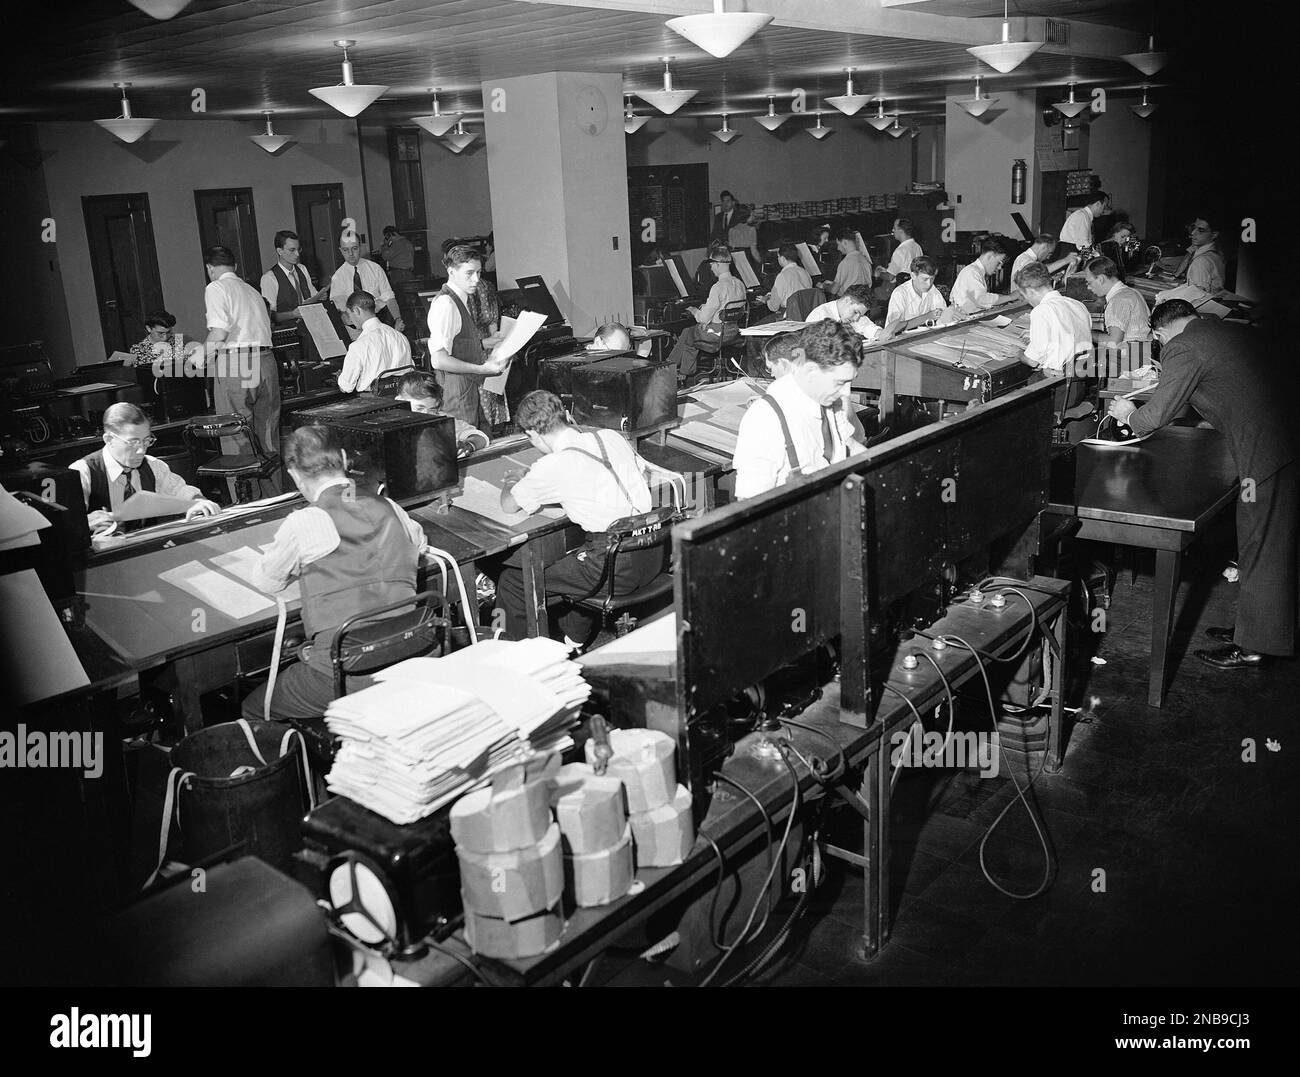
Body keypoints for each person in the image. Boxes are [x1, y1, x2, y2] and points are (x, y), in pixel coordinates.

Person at [1108, 301, 1297, 671]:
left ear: (1161, 333)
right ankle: (1257, 629)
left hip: (1271, 451)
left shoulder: (1183, 345)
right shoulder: (1225, 330)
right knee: (1271, 543)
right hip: (1284, 442)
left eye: (1157, 340)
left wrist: (1126, 413)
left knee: (1263, 544)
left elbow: (1156, 416)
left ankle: (1255, 646)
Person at [239, 425, 431, 722]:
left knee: (252, 706)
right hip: (412, 650)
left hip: (347, 673)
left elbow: (267, 580)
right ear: (343, 458)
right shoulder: (389, 505)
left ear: (294, 474)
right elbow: (418, 543)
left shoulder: (304, 521)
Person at [491, 390, 660, 647]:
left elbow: (509, 505)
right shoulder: (609, 436)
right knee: (575, 561)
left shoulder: (553, 465)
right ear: (565, 415)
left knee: (513, 582)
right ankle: (574, 640)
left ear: (533, 434)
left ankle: (516, 658)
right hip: (653, 553)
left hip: (614, 569)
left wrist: (514, 478)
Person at [732, 321, 866, 499]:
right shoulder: (765, 418)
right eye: (840, 382)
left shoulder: (830, 400)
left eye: (850, 381)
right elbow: (748, 503)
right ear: (810, 371)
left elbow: (849, 445)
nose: (846, 392)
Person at [72, 402, 220, 535]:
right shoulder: (82, 471)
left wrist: (199, 502)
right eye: (133, 442)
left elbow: (182, 491)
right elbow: (60, 526)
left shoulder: (153, 465)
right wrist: (84, 522)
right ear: (109, 440)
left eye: (146, 440)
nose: (141, 450)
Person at [201, 244, 280, 482]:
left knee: (235, 434)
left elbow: (219, 332)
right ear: (235, 267)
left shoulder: (216, 287)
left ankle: (245, 504)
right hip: (266, 362)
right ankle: (274, 498)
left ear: (209, 268)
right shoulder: (252, 290)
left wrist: (198, 357)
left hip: (237, 363)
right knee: (268, 435)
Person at [425, 244, 508, 427]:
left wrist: (485, 344)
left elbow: (459, 344)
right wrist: (482, 369)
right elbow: (438, 360)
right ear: (451, 271)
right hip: (456, 394)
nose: (476, 279)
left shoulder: (460, 300)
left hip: (468, 390)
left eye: (479, 272)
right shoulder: (446, 303)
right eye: (469, 273)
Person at [668, 243, 746, 384]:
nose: (710, 267)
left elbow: (703, 318)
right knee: (691, 333)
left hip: (716, 335)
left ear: (717, 264)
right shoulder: (740, 284)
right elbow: (726, 309)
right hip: (734, 332)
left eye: (711, 264)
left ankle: (670, 369)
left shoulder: (717, 287)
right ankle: (679, 371)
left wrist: (694, 311)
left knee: (688, 333)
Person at [1013, 261, 1092, 374]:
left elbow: (1032, 361)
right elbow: (1068, 336)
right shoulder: (1077, 304)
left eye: (1024, 296)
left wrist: (1018, 353)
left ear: (1030, 291)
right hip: (1083, 374)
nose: (1027, 301)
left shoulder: (1041, 311)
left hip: (1057, 379)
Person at [393, 371, 490, 457]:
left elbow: (480, 437)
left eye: (432, 409)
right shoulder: (390, 427)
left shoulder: (439, 418)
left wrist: (469, 445)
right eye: (420, 408)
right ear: (399, 401)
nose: (426, 414)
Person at [329, 222, 404, 332]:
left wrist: (397, 319)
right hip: (355, 328)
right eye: (345, 250)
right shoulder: (338, 278)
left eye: (354, 248)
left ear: (360, 247)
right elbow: (339, 310)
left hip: (380, 321)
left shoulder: (375, 269)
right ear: (340, 250)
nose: (350, 253)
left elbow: (389, 298)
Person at [337, 291, 413, 392]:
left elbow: (346, 388)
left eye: (349, 313)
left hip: (372, 402)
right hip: (403, 398)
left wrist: (340, 378)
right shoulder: (400, 337)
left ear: (357, 310)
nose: (350, 319)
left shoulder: (358, 346)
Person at [260, 230, 328, 322]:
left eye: (298, 249)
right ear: (280, 251)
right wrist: (292, 314)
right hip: (288, 330)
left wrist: (320, 296)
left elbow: (312, 295)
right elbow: (269, 315)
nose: (297, 254)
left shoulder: (302, 269)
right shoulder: (269, 278)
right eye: (292, 250)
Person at [1084, 256, 1152, 345]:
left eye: (1089, 282)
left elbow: (1114, 341)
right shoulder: (1132, 292)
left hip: (1130, 355)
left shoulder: (1118, 300)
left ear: (1101, 279)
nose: (1088, 287)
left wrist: (1085, 333)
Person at [882, 256, 952, 333]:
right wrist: (927, 317)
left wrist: (948, 313)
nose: (929, 284)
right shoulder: (900, 293)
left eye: (932, 279)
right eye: (925, 279)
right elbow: (894, 328)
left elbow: (943, 314)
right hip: (900, 339)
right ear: (913, 276)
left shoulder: (932, 289)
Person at [806, 284, 881, 342]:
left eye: (860, 315)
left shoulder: (852, 316)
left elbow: (870, 328)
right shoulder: (820, 316)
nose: (856, 318)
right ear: (847, 301)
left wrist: (880, 333)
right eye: (855, 312)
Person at [950, 238, 1007, 313]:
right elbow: (981, 299)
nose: (999, 268)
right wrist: (1010, 297)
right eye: (999, 263)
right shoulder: (972, 272)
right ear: (989, 255)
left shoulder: (978, 272)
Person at [1174, 217, 1226, 294]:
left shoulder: (1201, 261)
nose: (1192, 233)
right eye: (1194, 228)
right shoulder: (1215, 253)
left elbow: (1196, 296)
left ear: (1214, 234)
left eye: (1201, 230)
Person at [763, 245, 813, 316]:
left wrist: (766, 300)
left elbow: (774, 306)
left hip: (790, 315)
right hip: (807, 313)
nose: (778, 259)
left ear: (783, 258)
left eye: (778, 257)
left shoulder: (782, 276)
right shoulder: (805, 272)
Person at [822, 227, 872, 296]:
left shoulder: (845, 263)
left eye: (838, 244)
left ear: (845, 242)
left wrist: (824, 286)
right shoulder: (866, 261)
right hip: (864, 301)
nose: (838, 248)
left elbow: (834, 290)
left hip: (849, 301)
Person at [1011, 233, 1077, 281]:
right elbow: (1037, 270)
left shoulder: (1028, 259)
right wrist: (1066, 260)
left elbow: (1033, 277)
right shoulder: (1024, 259)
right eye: (1049, 254)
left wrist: (1048, 277)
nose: (1048, 257)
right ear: (1044, 247)